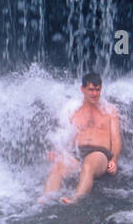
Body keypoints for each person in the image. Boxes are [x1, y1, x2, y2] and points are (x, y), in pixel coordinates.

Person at [40, 72, 122, 204]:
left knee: (88, 165)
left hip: (99, 153)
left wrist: (114, 159)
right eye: (90, 90)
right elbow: (62, 133)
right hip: (77, 153)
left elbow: (116, 139)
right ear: (82, 89)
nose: (94, 94)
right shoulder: (73, 109)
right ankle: (45, 199)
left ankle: (76, 198)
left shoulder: (109, 111)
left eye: (97, 90)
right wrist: (56, 151)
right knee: (57, 166)